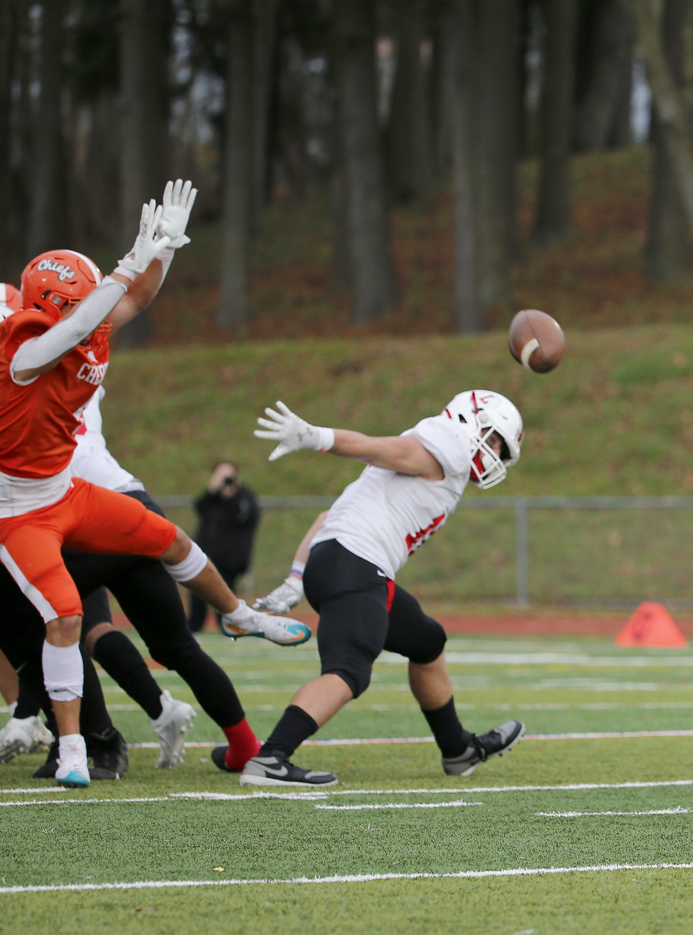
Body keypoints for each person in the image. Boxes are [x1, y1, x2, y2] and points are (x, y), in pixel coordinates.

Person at [0, 182, 297, 786]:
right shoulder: (23, 350)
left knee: (169, 537)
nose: (94, 305)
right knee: (65, 619)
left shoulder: (81, 325)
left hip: (67, 492)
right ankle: (73, 746)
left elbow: (130, 299)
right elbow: (80, 322)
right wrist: (127, 262)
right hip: (19, 512)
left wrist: (161, 251)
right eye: (81, 298)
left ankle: (239, 614)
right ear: (53, 304)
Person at [236, 390, 529, 787]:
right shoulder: (450, 444)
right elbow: (378, 448)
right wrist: (317, 436)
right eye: (493, 440)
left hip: (338, 560)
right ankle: (271, 758)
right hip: (357, 564)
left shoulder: (448, 463)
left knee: (427, 641)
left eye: (500, 449)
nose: (494, 453)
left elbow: (328, 516)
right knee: (348, 672)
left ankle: (457, 749)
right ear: (469, 419)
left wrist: (296, 578)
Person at [187, 461, 260, 632]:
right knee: (197, 590)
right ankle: (195, 627)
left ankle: (226, 627)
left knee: (225, 593)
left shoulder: (243, 496)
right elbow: (199, 507)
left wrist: (231, 496)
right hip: (205, 552)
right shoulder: (211, 497)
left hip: (229, 557)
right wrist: (212, 490)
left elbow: (246, 516)